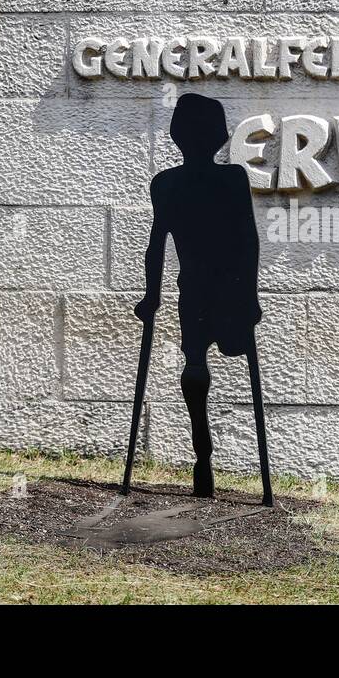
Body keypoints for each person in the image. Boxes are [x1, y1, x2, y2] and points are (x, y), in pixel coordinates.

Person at [134, 94, 265, 499]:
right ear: (220, 137)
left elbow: (157, 247)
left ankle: (203, 455)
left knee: (195, 365)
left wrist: (151, 295)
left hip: (199, 288)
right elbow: (248, 241)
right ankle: (203, 458)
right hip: (220, 288)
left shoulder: (170, 184)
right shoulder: (230, 179)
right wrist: (250, 294)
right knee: (197, 367)